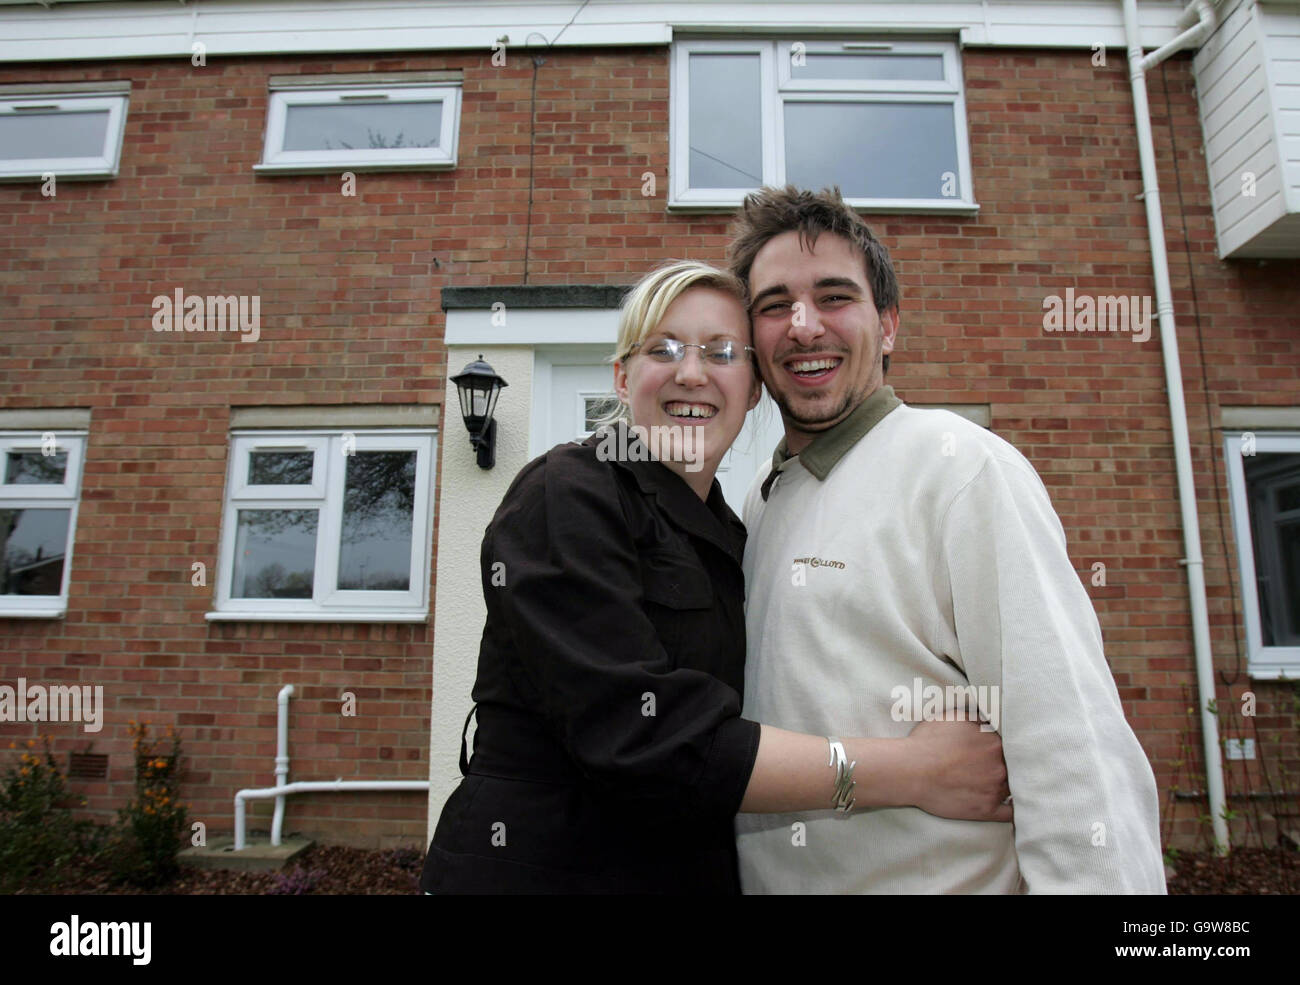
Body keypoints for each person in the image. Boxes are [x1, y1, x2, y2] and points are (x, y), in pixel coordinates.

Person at [419, 260, 1013, 894]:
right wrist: (912, 770)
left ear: (754, 388)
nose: (692, 373)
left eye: (723, 352)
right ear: (623, 377)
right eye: (663, 349)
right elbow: (645, 740)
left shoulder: (737, 526)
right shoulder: (568, 492)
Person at [727, 186, 1167, 894]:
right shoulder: (760, 500)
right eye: (775, 305)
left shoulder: (961, 467)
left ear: (890, 324)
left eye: (835, 297)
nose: (804, 326)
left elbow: (1067, 736)